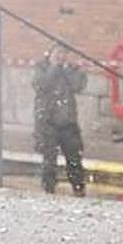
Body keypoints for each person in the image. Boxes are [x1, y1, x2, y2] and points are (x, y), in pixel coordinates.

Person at [34, 53, 88, 196]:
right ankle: (49, 189)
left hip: (68, 122)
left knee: (74, 158)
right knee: (49, 159)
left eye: (63, 53)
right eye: (57, 52)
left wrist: (78, 70)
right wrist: (54, 67)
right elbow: (41, 84)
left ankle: (78, 188)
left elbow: (78, 86)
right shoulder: (42, 67)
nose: (60, 56)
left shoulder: (69, 69)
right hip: (48, 121)